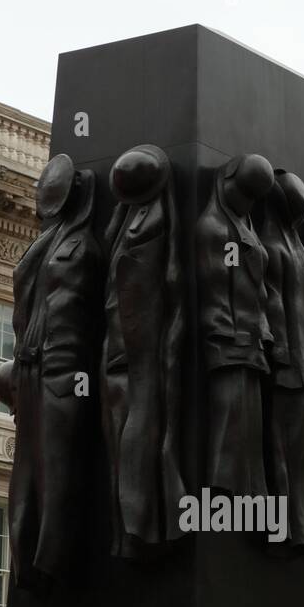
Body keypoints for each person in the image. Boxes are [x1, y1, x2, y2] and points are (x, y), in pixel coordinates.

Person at [0, 152, 101, 589]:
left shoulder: (82, 249)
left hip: (62, 370)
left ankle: (53, 564)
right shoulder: (48, 247)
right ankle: (27, 564)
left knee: (56, 473)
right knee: (24, 478)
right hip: (32, 368)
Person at [102, 143, 186, 557]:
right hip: (123, 340)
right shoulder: (137, 222)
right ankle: (130, 528)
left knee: (135, 425)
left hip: (136, 340)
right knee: (123, 424)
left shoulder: (148, 225)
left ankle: (136, 526)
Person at [196, 154, 275, 497]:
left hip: (251, 341)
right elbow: (216, 286)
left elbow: (257, 289)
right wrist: (233, 334)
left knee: (249, 425)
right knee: (231, 417)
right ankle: (224, 487)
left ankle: (247, 490)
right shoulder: (213, 227)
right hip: (229, 341)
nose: (246, 204)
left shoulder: (245, 228)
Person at [258, 169, 304, 551]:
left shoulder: (266, 250)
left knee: (277, 457)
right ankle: (299, 530)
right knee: (296, 464)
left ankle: (279, 530)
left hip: (280, 369)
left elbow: (266, 309)